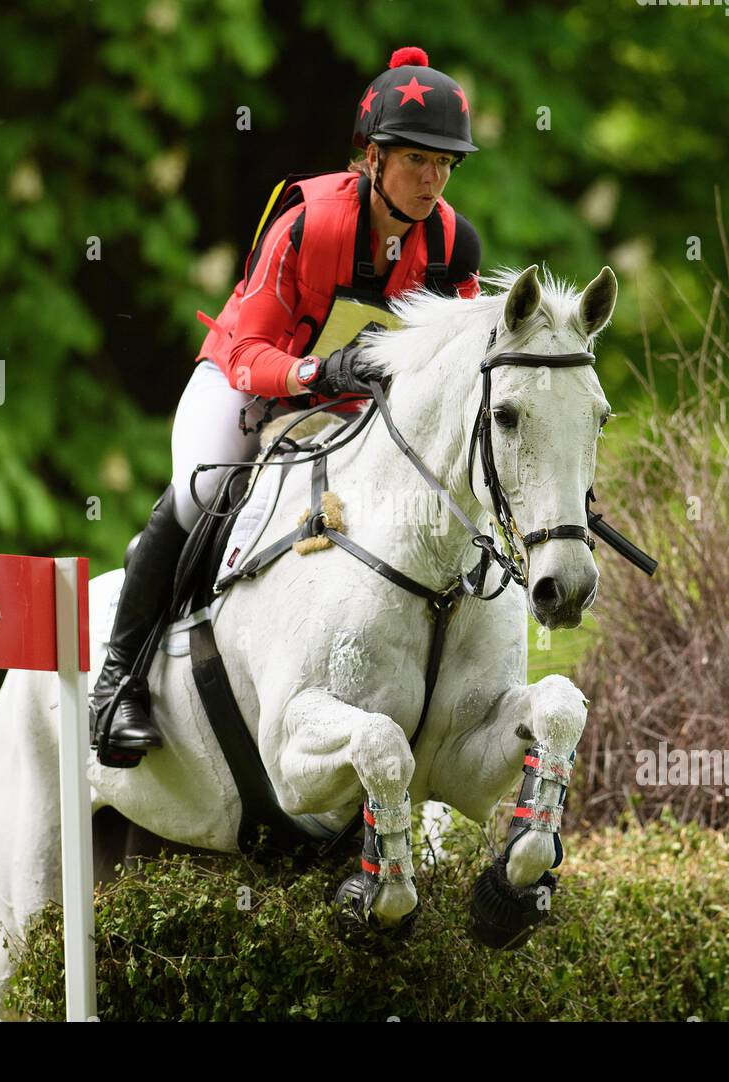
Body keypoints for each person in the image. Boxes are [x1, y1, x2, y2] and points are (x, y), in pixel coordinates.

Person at [90, 45, 483, 765]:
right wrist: (319, 368)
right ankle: (119, 684)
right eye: (418, 161)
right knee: (201, 493)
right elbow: (247, 352)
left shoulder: (454, 246)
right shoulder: (307, 223)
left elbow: (454, 365)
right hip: (248, 387)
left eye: (446, 164)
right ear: (373, 159)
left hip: (356, 412)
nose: (434, 180)